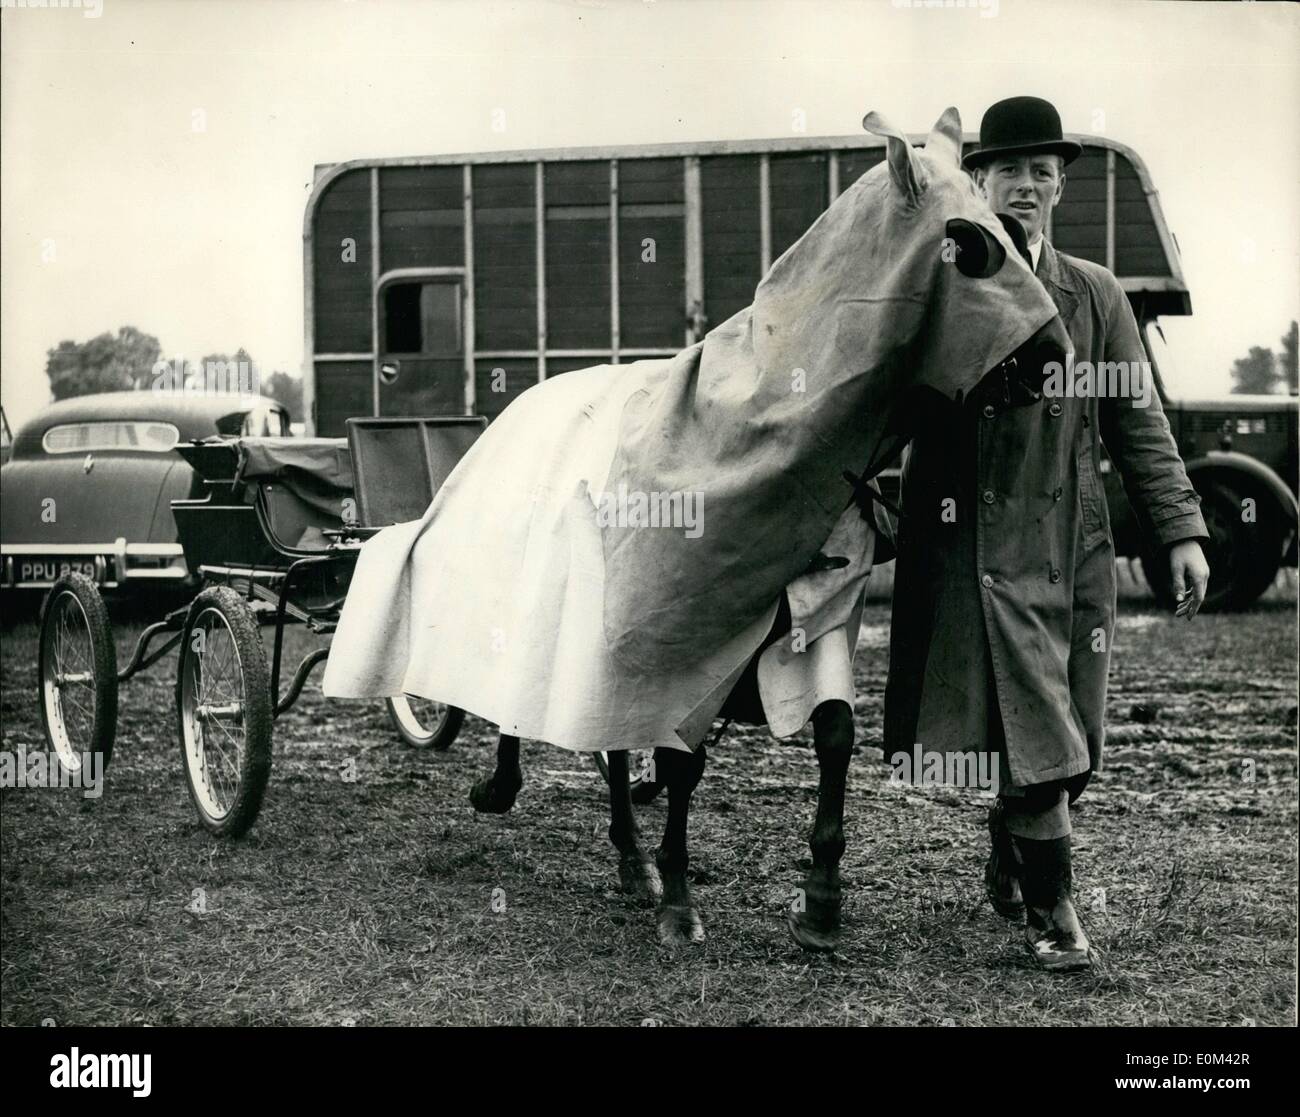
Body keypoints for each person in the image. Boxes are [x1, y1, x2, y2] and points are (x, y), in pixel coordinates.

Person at [883, 96, 1211, 972]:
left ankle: (1011, 837)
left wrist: (1182, 530)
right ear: (979, 183)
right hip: (977, 550)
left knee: (1078, 748)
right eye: (1008, 171)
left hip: (1075, 548)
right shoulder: (942, 282)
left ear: (1060, 186)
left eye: (1042, 172)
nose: (1026, 186)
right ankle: (1056, 916)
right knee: (1043, 743)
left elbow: (1138, 421)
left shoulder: (1095, 293)